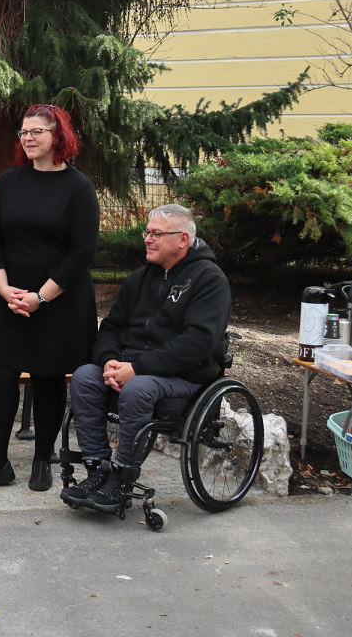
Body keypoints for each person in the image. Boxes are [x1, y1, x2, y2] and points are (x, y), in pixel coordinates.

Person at [0, 104, 100, 494]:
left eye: (37, 131)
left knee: (49, 377)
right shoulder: (9, 182)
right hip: (9, 297)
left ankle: (42, 459)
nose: (28, 138)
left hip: (60, 300)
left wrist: (41, 297)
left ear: (59, 136)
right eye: (24, 132)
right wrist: (3, 287)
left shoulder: (79, 188)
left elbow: (81, 253)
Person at [61, 204, 231, 514]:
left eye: (156, 234)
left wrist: (137, 369)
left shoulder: (209, 280)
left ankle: (121, 479)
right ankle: (97, 469)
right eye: (147, 233)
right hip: (133, 369)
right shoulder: (138, 279)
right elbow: (111, 327)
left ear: (182, 239)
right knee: (85, 376)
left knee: (138, 388)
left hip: (184, 376)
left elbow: (198, 343)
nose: (147, 239)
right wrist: (109, 360)